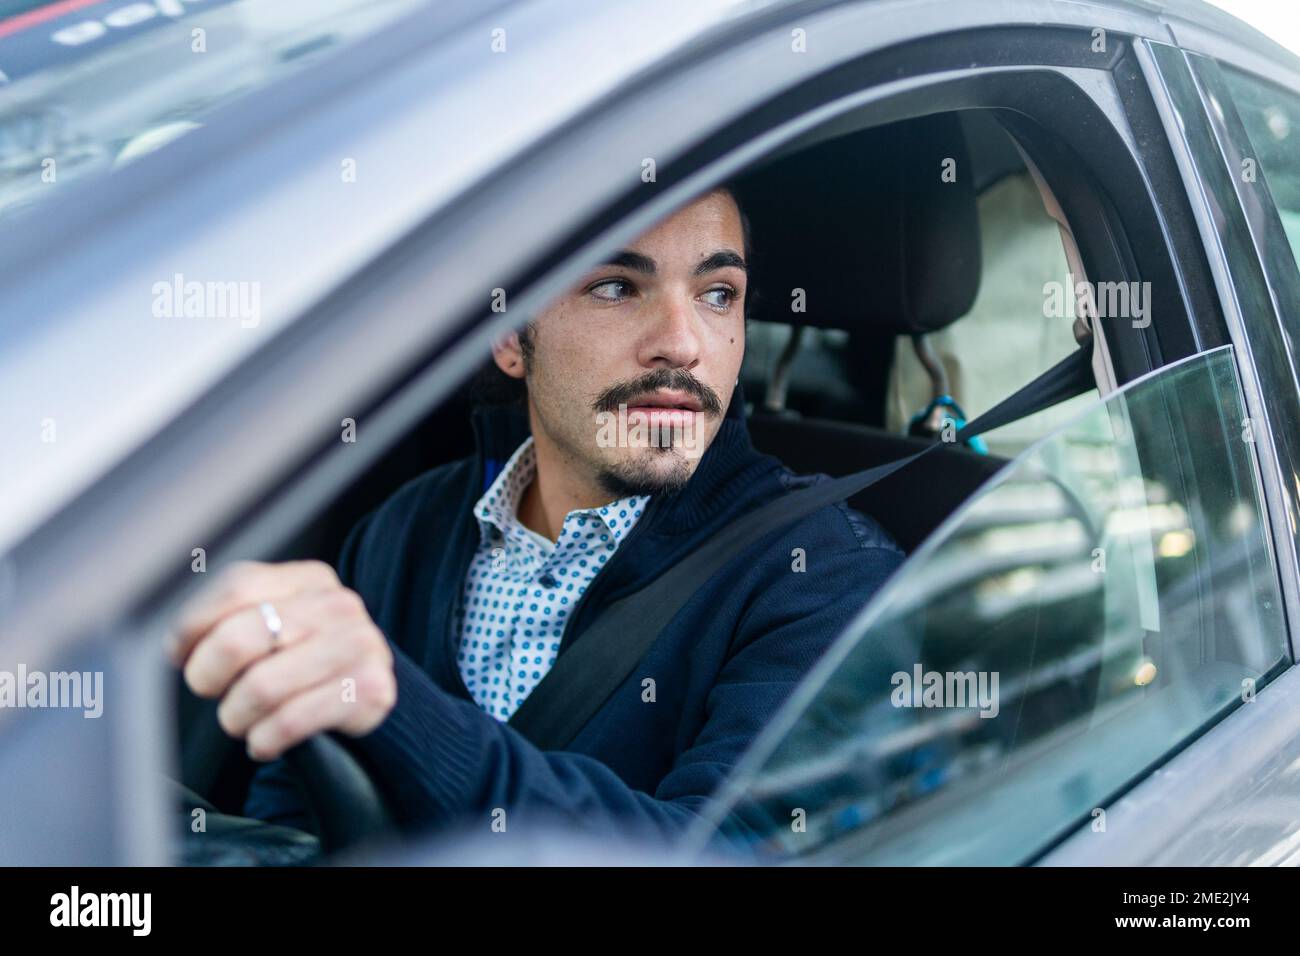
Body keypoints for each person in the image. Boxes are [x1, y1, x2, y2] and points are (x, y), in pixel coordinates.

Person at [167, 186, 903, 849]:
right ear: (512, 338)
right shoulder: (404, 529)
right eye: (616, 286)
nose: (683, 343)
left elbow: (729, 850)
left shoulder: (828, 575)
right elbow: (292, 823)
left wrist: (401, 712)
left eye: (718, 294)